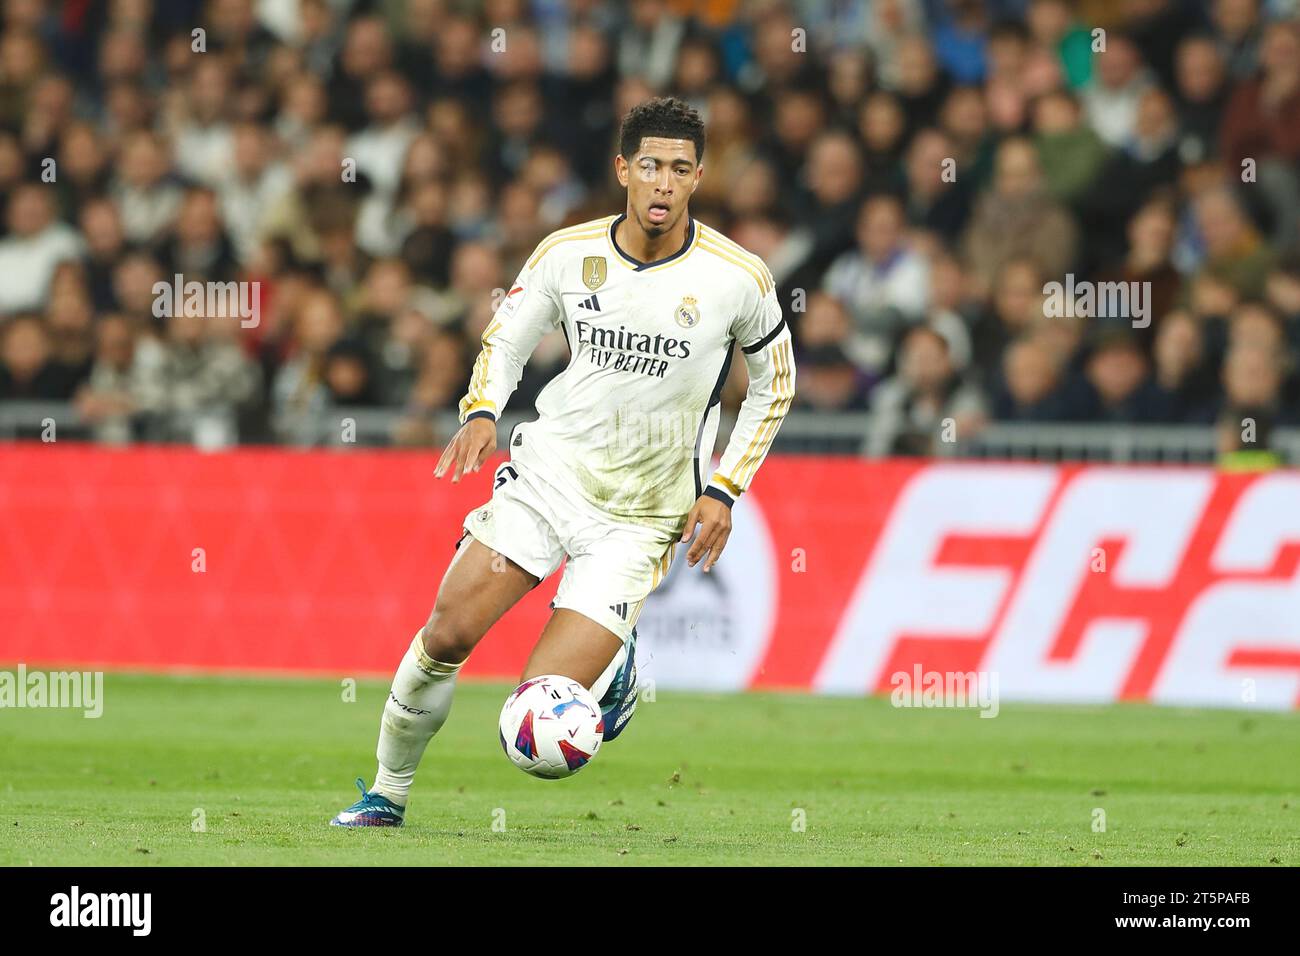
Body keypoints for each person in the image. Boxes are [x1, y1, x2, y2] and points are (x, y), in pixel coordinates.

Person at [332, 97, 795, 826]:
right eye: (650, 166)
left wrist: (725, 489)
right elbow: (507, 338)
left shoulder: (738, 277)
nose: (664, 184)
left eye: (679, 169)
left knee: (537, 718)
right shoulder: (566, 253)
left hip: (641, 517)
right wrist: (482, 409)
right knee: (446, 634)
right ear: (623, 170)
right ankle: (386, 795)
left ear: (699, 177)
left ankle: (616, 671)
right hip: (548, 481)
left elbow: (777, 384)